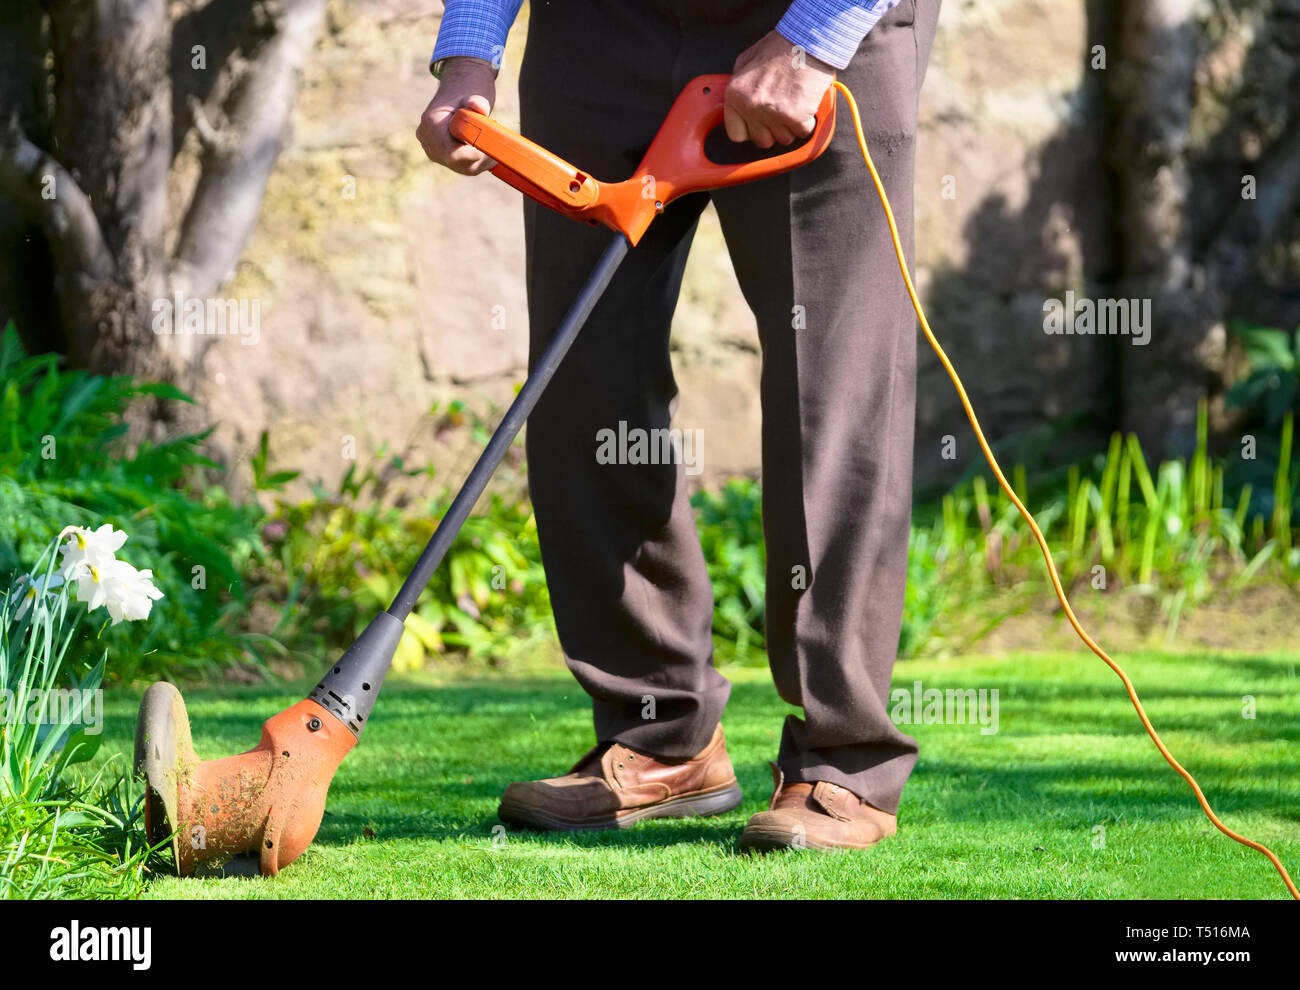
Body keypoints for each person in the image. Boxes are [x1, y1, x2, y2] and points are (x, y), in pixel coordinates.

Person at [416, 0, 940, 852]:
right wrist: (469, 49)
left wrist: (815, 38)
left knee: (831, 390)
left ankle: (843, 762)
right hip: (601, 31)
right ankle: (661, 732)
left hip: (811, 22)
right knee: (583, 374)